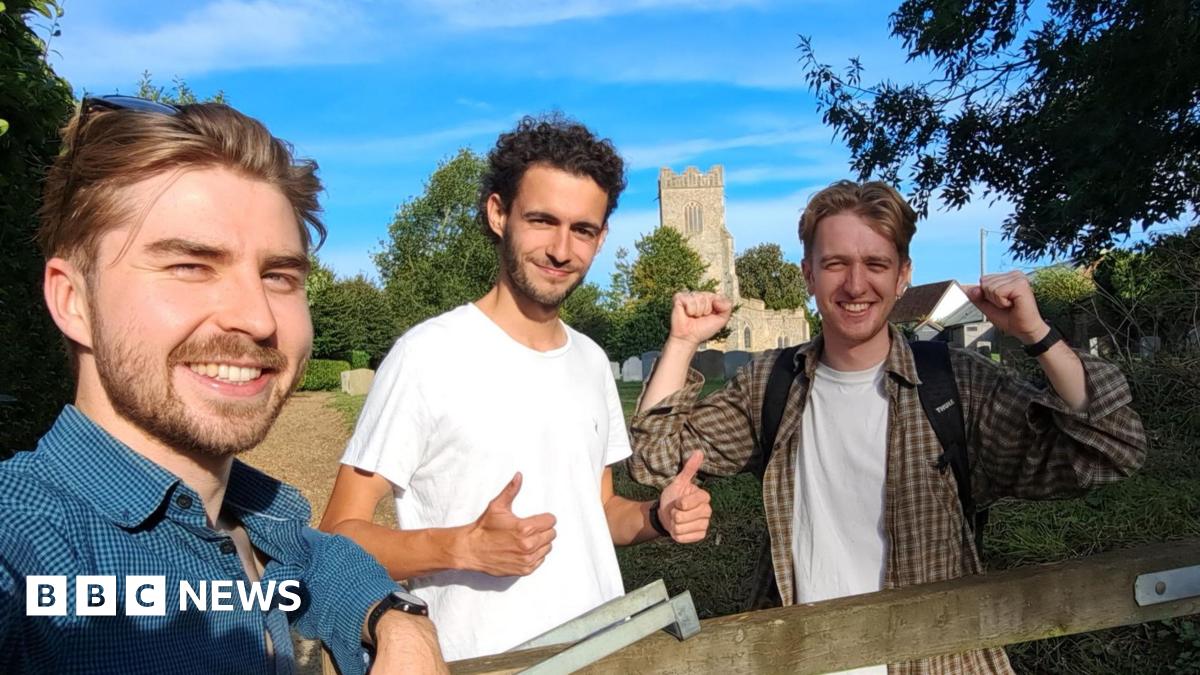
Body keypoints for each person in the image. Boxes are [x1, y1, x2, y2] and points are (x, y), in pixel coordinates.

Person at [0, 96, 446, 674]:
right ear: (73, 300)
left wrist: (398, 618)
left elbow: (320, 559)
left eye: (279, 276)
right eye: (190, 265)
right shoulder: (22, 543)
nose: (258, 318)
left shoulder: (255, 519)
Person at [628, 180, 1147, 673]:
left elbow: (1111, 448)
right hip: (804, 659)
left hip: (936, 661)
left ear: (902, 275)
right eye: (835, 264)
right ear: (808, 273)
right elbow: (654, 458)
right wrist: (682, 342)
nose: (855, 284)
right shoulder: (772, 384)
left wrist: (1036, 332)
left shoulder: (954, 383)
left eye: (875, 263)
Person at [319, 115, 713, 662]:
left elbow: (598, 513)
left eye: (582, 230)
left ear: (601, 240)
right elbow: (337, 537)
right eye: (542, 220)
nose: (560, 249)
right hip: (484, 663)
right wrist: (463, 547)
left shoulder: (592, 361)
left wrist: (655, 517)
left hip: (607, 654)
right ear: (498, 214)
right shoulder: (427, 355)